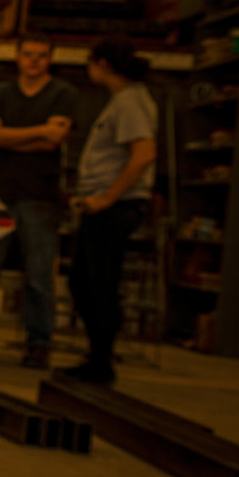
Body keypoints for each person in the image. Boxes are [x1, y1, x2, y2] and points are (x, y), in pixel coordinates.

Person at [0, 36, 75, 367]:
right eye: (28, 54)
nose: (34, 61)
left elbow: (55, 141)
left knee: (39, 274)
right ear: (17, 56)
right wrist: (37, 134)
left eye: (41, 55)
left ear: (50, 58)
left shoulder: (63, 94)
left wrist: (11, 138)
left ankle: (39, 342)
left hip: (40, 196)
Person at [63, 37, 157, 384]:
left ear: (102, 64)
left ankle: (101, 363)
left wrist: (107, 198)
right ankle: (97, 357)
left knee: (99, 284)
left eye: (90, 63)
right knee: (83, 282)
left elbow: (144, 153)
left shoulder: (131, 101)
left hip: (114, 207)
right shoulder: (121, 101)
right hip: (103, 205)